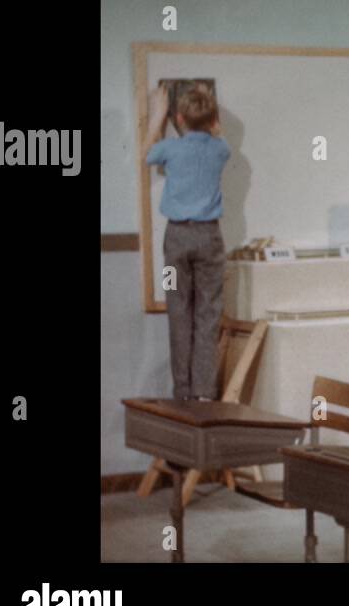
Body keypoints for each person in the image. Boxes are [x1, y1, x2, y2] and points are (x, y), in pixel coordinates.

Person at [143, 84, 231, 400]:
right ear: (213, 120)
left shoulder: (169, 148)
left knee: (177, 310)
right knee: (208, 314)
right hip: (209, 238)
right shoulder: (221, 149)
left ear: (178, 118)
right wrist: (208, 112)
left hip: (176, 239)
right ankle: (205, 393)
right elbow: (216, 133)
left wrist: (157, 115)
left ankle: (182, 390)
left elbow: (147, 153)